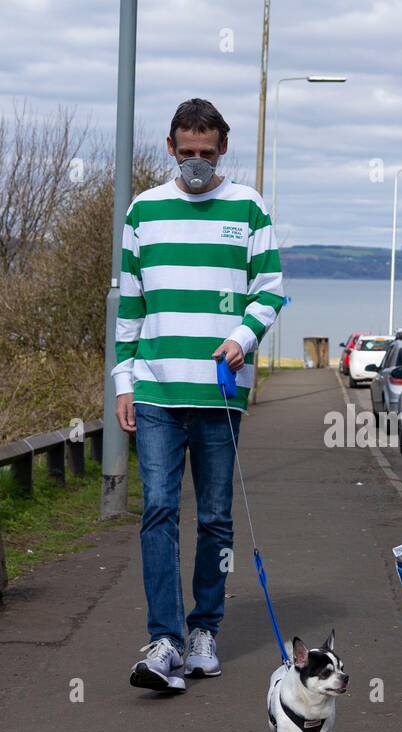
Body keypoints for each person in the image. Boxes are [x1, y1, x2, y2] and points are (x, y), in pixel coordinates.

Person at [114, 98, 284, 694]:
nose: (194, 165)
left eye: (205, 155)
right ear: (170, 148)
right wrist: (122, 381)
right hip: (158, 389)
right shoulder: (144, 210)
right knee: (159, 509)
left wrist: (242, 336)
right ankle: (164, 640)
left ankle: (204, 629)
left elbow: (270, 290)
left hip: (219, 394)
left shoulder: (249, 206)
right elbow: (130, 304)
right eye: (185, 154)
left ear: (222, 149)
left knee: (213, 517)